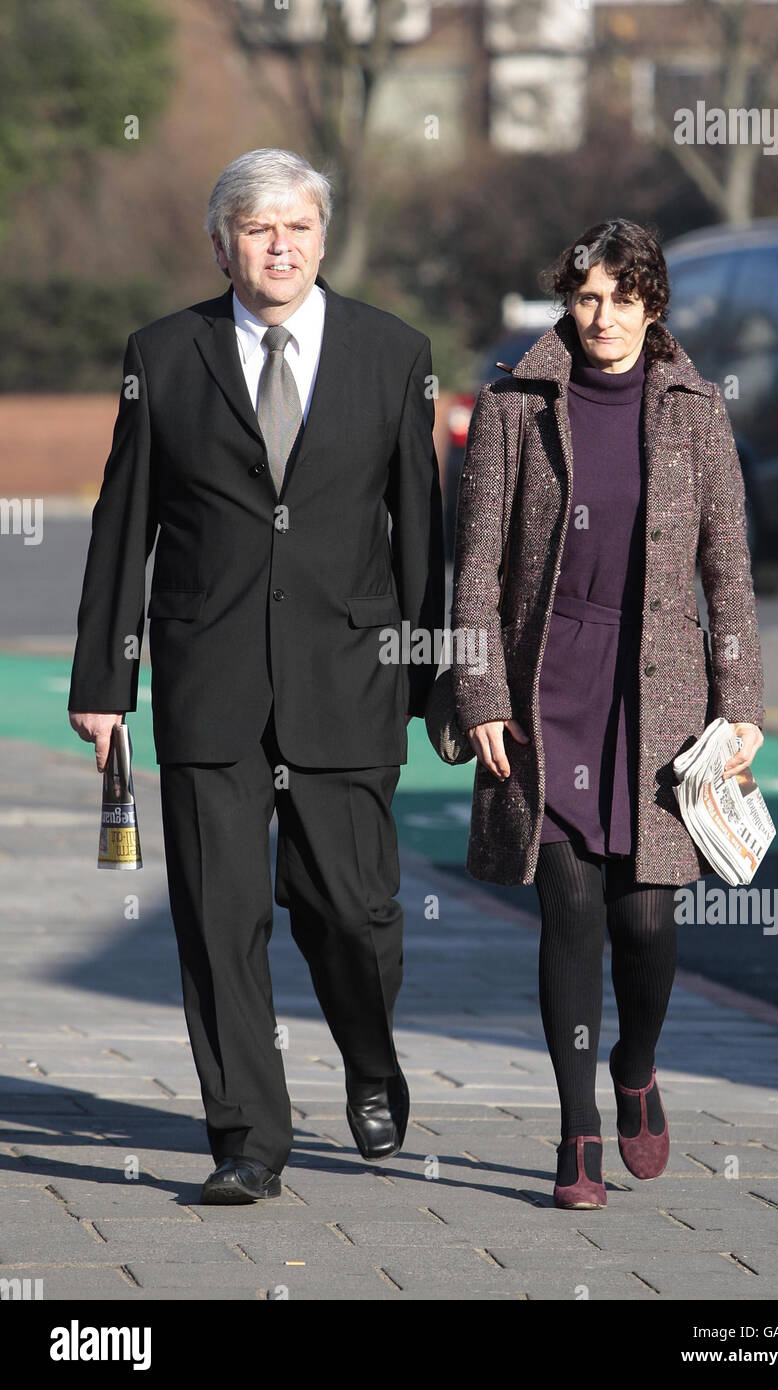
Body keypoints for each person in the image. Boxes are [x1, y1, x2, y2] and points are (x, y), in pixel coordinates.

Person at [68, 148, 444, 1204]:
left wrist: (435, 681)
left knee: (353, 912)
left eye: (296, 226)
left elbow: (422, 534)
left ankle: (370, 1059)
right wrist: (106, 680)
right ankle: (246, 1136)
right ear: (223, 243)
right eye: (255, 227)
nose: (278, 245)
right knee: (217, 914)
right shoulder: (164, 352)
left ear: (323, 238)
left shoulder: (390, 351)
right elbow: (122, 524)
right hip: (208, 679)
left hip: (350, 679)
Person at [450, 219, 764, 1209]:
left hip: (658, 684)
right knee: (568, 912)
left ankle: (635, 1066)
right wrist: (480, 694)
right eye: (585, 296)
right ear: (566, 299)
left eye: (621, 300)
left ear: (652, 306)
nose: (602, 318)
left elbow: (728, 572)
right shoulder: (511, 405)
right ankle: (575, 1132)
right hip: (548, 683)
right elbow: (477, 570)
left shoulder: (696, 410)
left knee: (643, 921)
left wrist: (739, 701)